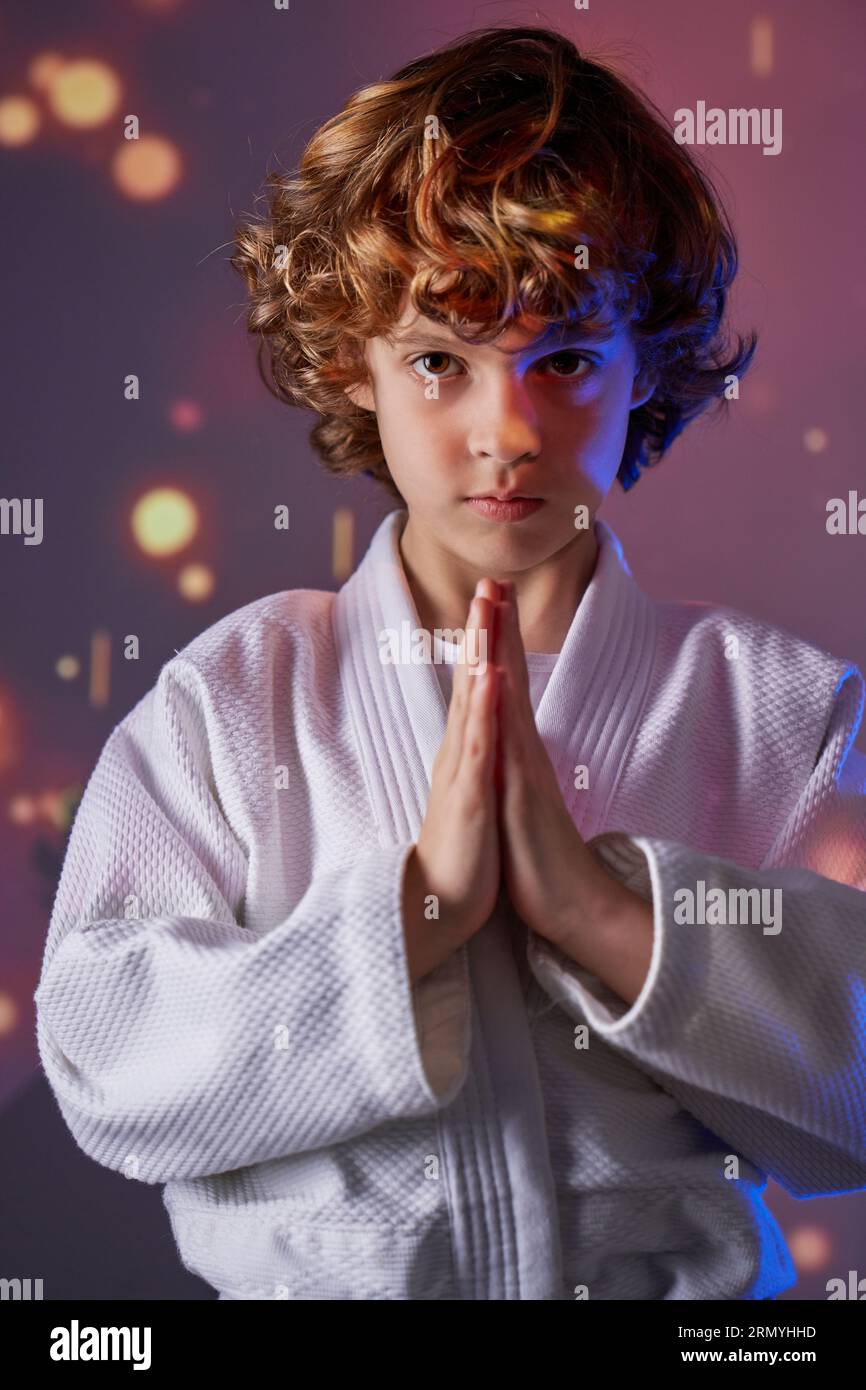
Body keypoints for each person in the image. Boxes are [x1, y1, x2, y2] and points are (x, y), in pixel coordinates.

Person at [35, 25, 866, 1301]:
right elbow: (107, 1058)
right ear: (347, 363)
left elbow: (854, 1093)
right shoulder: (235, 700)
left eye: (567, 361)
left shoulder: (772, 711)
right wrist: (412, 912)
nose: (507, 431)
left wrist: (606, 915)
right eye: (439, 360)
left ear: (646, 363)